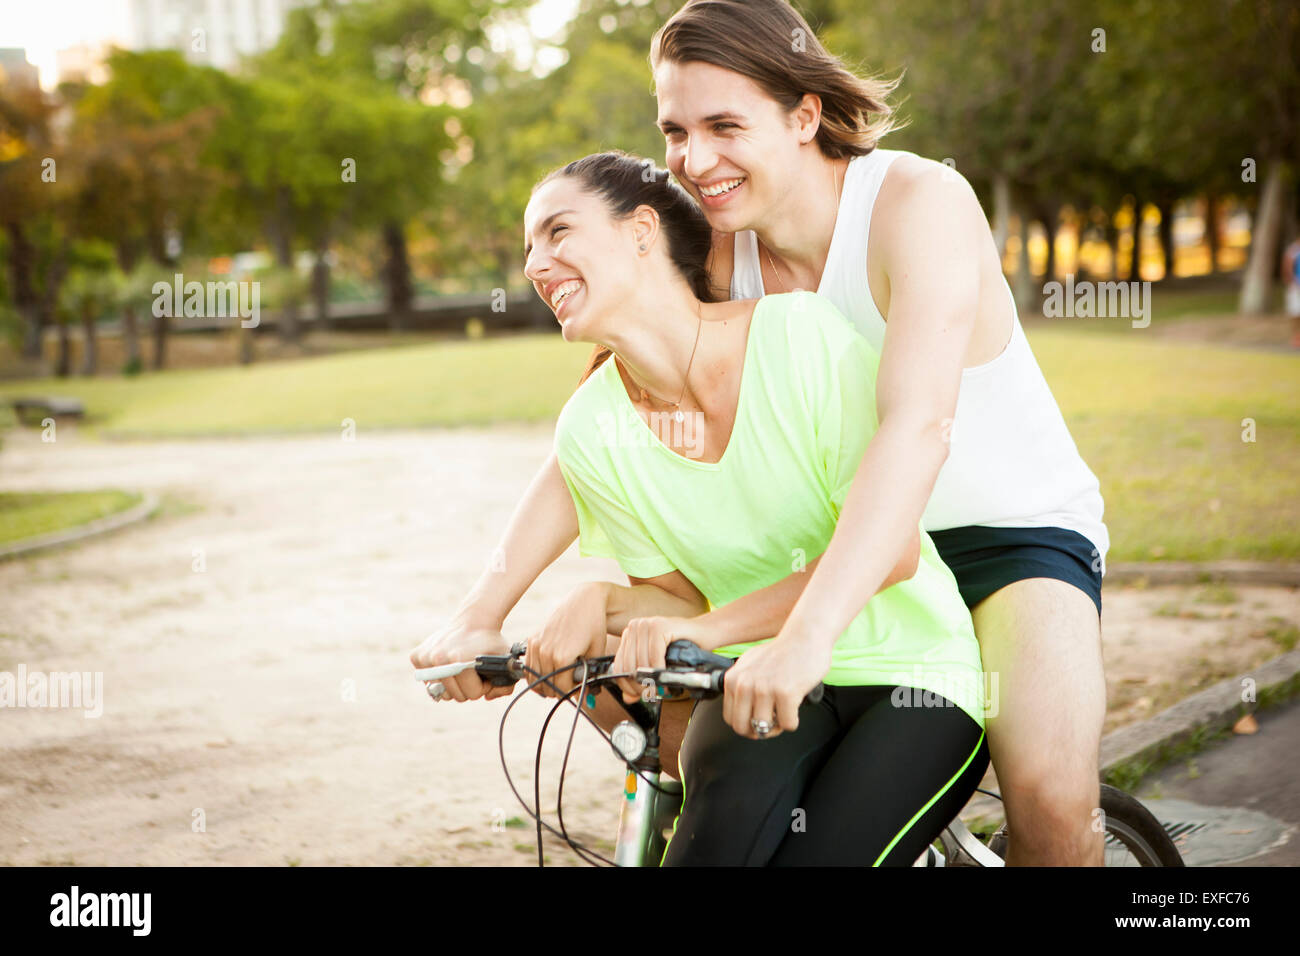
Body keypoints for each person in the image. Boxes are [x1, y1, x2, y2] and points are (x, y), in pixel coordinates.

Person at [411, 0, 1109, 866]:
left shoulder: (914, 204)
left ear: (804, 114)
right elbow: (600, 426)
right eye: (674, 130)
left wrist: (807, 635)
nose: (694, 160)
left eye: (724, 125)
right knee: (687, 748)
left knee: (1047, 795)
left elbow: (916, 426)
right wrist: (484, 613)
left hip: (1006, 536)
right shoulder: (720, 251)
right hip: (829, 548)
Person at [523, 149, 989, 865]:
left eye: (557, 233)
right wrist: (605, 606)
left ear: (642, 230)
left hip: (909, 671)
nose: (535, 265)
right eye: (528, 248)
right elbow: (683, 601)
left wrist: (709, 628)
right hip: (751, 680)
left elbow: (886, 553)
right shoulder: (590, 427)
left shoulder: (798, 336)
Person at [1283, 235, 1300, 349]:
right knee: (1295, 312)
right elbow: (1287, 268)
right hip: (1296, 286)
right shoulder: (1293, 251)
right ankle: (1296, 337)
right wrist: (1293, 283)